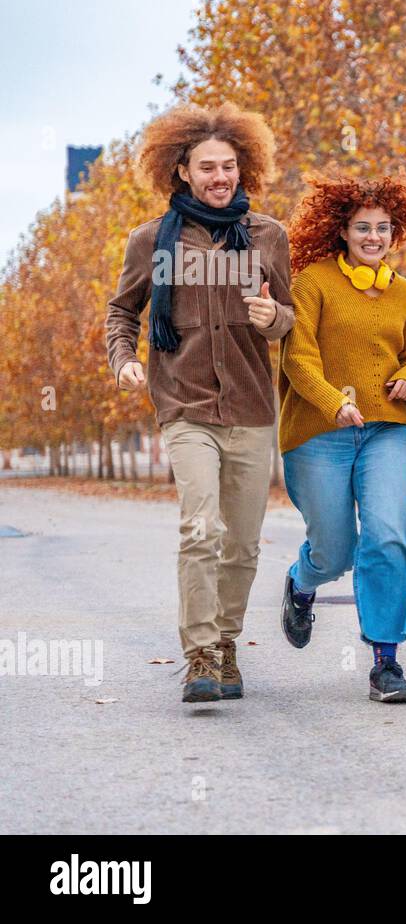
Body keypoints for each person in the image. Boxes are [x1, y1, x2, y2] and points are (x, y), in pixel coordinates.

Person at [106, 102, 293, 703]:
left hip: (250, 407)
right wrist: (124, 358)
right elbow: (121, 310)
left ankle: (228, 642)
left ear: (244, 169)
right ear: (181, 171)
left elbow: (290, 319)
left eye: (230, 167)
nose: (220, 178)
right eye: (207, 167)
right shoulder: (150, 242)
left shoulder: (267, 235)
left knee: (240, 542)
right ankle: (201, 656)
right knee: (199, 528)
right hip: (184, 403)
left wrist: (272, 318)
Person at [278, 174, 406, 701]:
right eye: (362, 227)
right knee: (335, 551)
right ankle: (302, 582)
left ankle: (386, 662)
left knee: (387, 536)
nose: (373, 236)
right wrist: (334, 402)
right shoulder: (313, 282)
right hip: (320, 431)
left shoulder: (403, 290)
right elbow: (297, 357)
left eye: (383, 228)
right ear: (341, 230)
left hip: (388, 428)